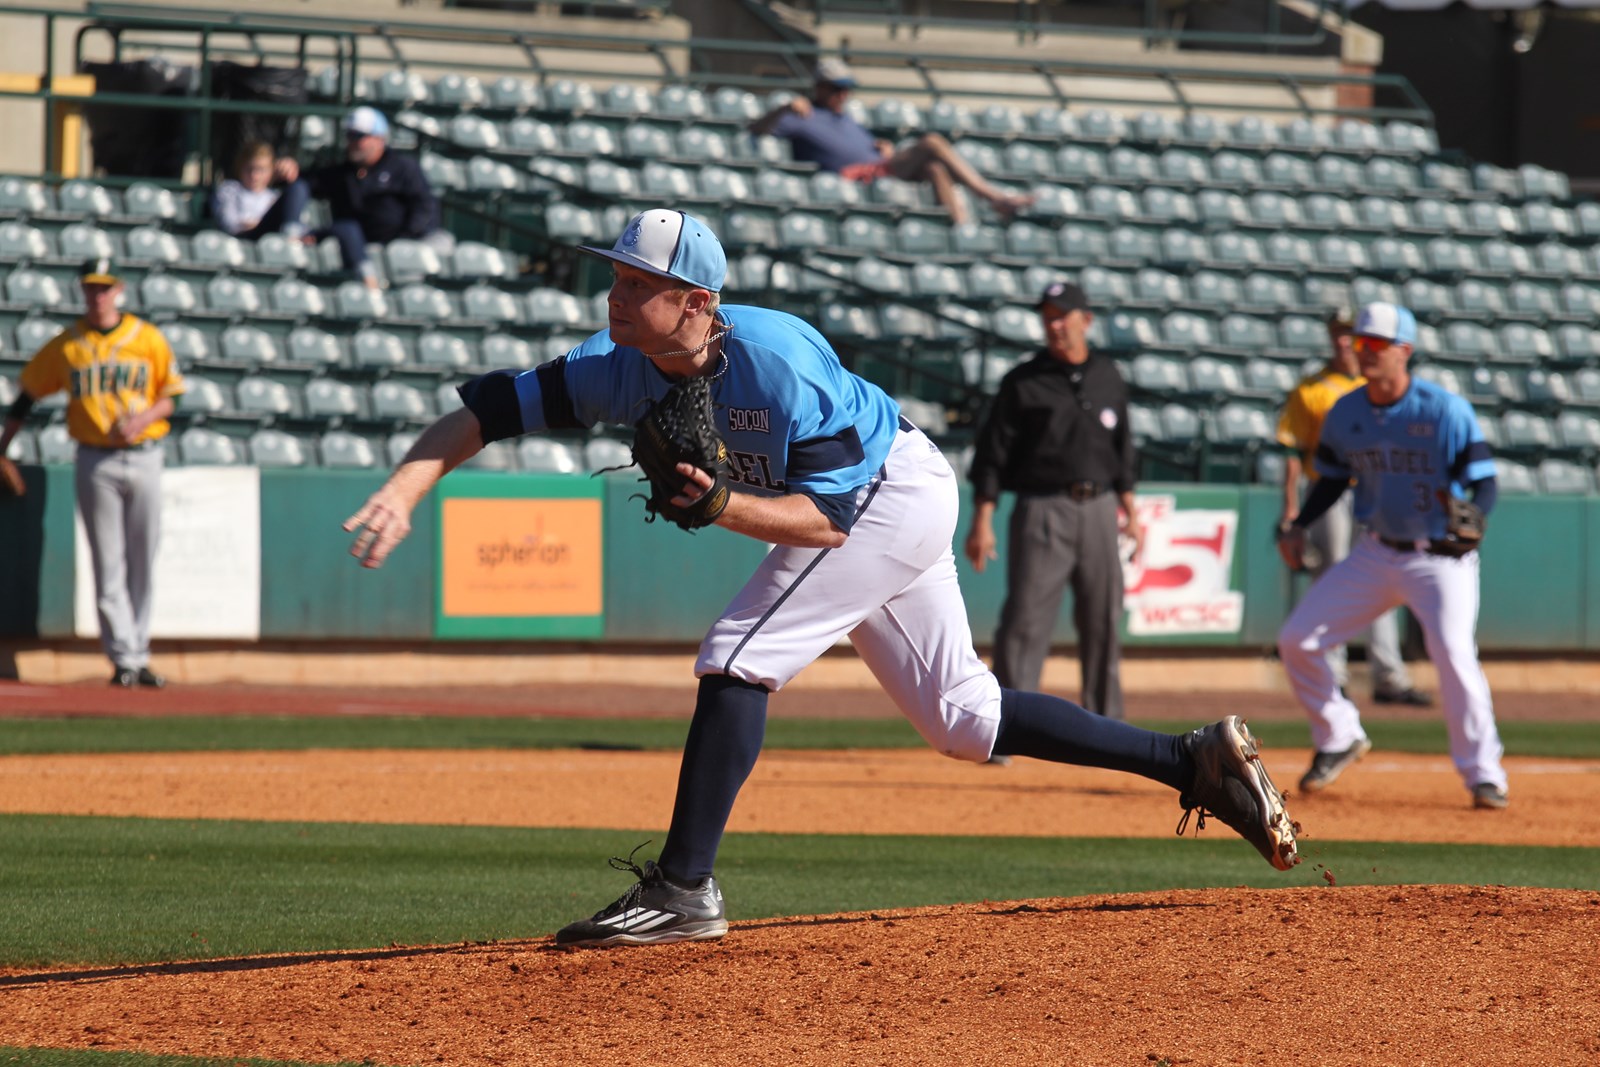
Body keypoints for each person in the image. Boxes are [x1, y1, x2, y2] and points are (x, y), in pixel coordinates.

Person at [343, 208, 1300, 949]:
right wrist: (405, 486)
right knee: (962, 721)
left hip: (892, 491)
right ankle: (1190, 761)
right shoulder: (614, 365)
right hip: (870, 505)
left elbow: (828, 524)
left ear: (699, 303)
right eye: (617, 278)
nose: (618, 296)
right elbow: (486, 412)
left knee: (737, 655)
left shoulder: (777, 359)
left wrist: (720, 507)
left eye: (644, 283)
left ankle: (682, 888)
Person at [1276, 302, 1508, 810]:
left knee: (1452, 655)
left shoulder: (1443, 409)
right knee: (1297, 640)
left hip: (1439, 557)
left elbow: (1485, 480)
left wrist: (1477, 521)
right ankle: (1339, 735)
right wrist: (1296, 524)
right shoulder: (1348, 411)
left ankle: (1484, 775)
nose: (1364, 352)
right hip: (1377, 551)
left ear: (1404, 350)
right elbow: (1332, 479)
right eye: (1360, 343)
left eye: (1375, 345)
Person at [0, 258, 186, 688]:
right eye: (91, 287)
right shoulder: (68, 344)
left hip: (145, 453)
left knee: (143, 558)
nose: (97, 295)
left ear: (118, 289)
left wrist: (142, 420)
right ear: (83, 290)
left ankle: (139, 653)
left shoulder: (147, 337)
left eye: (104, 287)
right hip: (94, 459)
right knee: (108, 560)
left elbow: (170, 397)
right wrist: (3, 445)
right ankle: (123, 658)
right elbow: (26, 397)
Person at [964, 281, 1143, 720]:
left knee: (1103, 620)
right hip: (1041, 508)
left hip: (1101, 509)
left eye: (1063, 315)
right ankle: (1006, 726)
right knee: (1025, 621)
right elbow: (992, 455)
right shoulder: (1023, 381)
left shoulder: (1108, 375)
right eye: (1048, 317)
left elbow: (1122, 450)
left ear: (1087, 320)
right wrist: (982, 519)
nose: (1055, 325)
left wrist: (1132, 512)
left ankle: (1109, 727)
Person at [1276, 307, 1430, 708]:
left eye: (1351, 332)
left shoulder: (1378, 382)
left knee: (1384, 579)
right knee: (1333, 579)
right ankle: (1334, 674)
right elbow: (1293, 452)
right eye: (1339, 332)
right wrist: (1292, 510)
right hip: (1331, 491)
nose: (1346, 340)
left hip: (1378, 486)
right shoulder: (1312, 389)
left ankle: (1389, 676)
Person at [749, 59, 1033, 226]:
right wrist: (783, 108)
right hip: (856, 176)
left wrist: (884, 149)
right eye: (837, 89)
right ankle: (994, 198)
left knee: (935, 167)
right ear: (820, 87)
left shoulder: (847, 119)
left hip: (878, 167)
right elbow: (755, 130)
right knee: (932, 142)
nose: (843, 95)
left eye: (847, 89)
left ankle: (959, 227)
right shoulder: (803, 114)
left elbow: (863, 147)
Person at [276, 107, 452, 286]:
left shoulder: (403, 168)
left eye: (359, 136)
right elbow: (303, 182)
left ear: (379, 139)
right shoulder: (342, 173)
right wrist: (288, 169)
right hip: (358, 246)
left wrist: (402, 240)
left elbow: (424, 207)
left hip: (405, 244)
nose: (352, 142)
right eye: (349, 135)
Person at [210, 140, 310, 241]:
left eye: (261, 170)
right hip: (245, 239)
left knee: (297, 187)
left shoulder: (274, 196)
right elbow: (230, 224)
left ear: (271, 171)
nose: (255, 176)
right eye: (249, 169)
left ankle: (291, 238)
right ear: (240, 167)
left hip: (273, 240)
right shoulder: (229, 190)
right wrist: (256, 224)